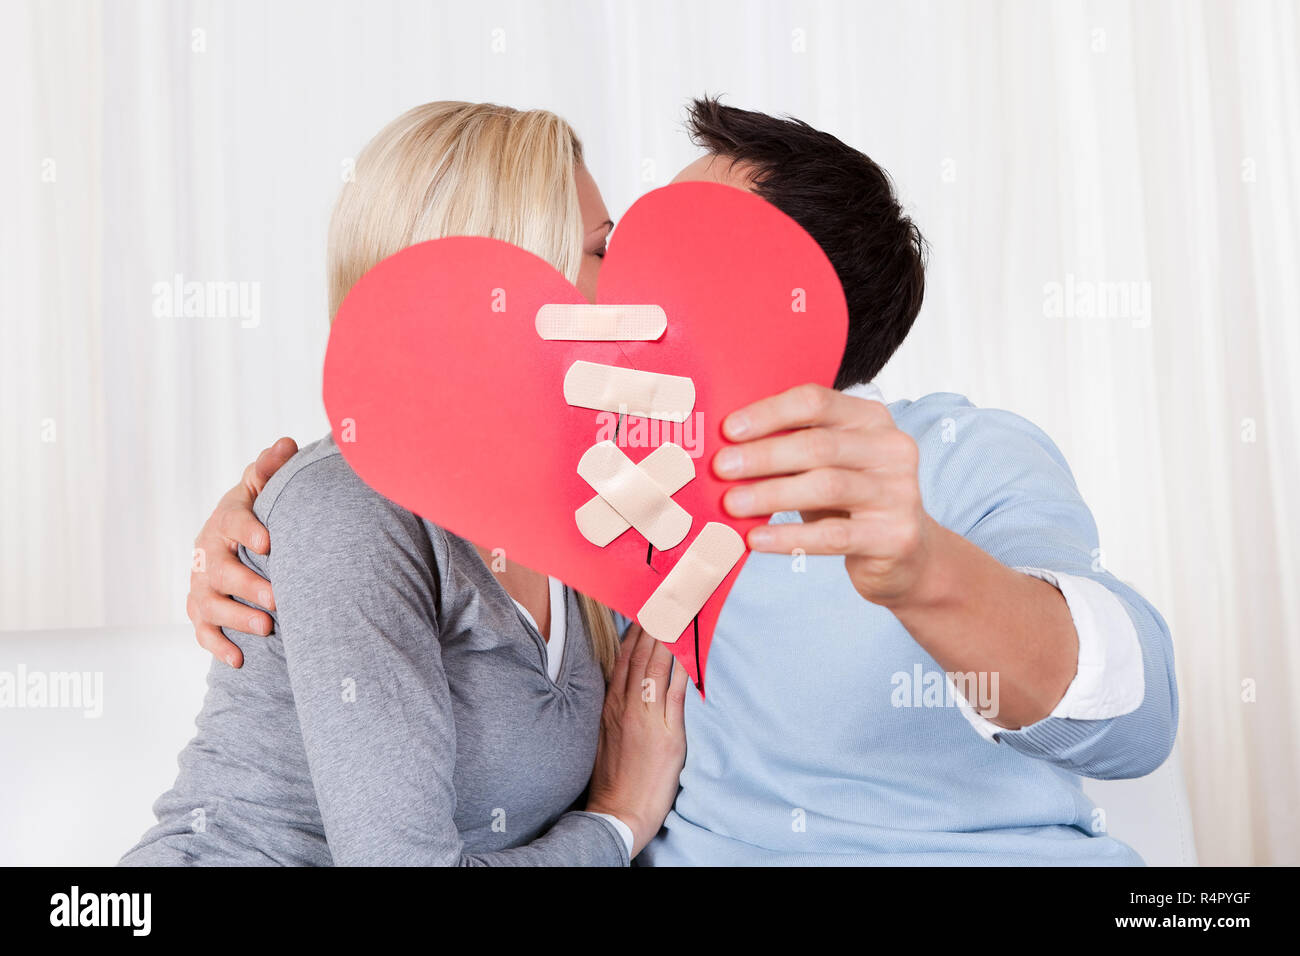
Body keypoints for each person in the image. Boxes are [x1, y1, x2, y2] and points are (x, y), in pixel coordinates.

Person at [187, 98, 1178, 865]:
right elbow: (398, 488)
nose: (621, 281)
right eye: (621, 246)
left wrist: (922, 567)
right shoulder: (590, 495)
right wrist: (261, 523)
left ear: (786, 304)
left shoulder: (960, 458)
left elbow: (1137, 715)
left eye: (679, 250)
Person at [123, 102, 686, 866]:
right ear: (503, 286)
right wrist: (618, 823)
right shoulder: (350, 511)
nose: (626, 279)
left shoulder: (585, 498)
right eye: (598, 250)